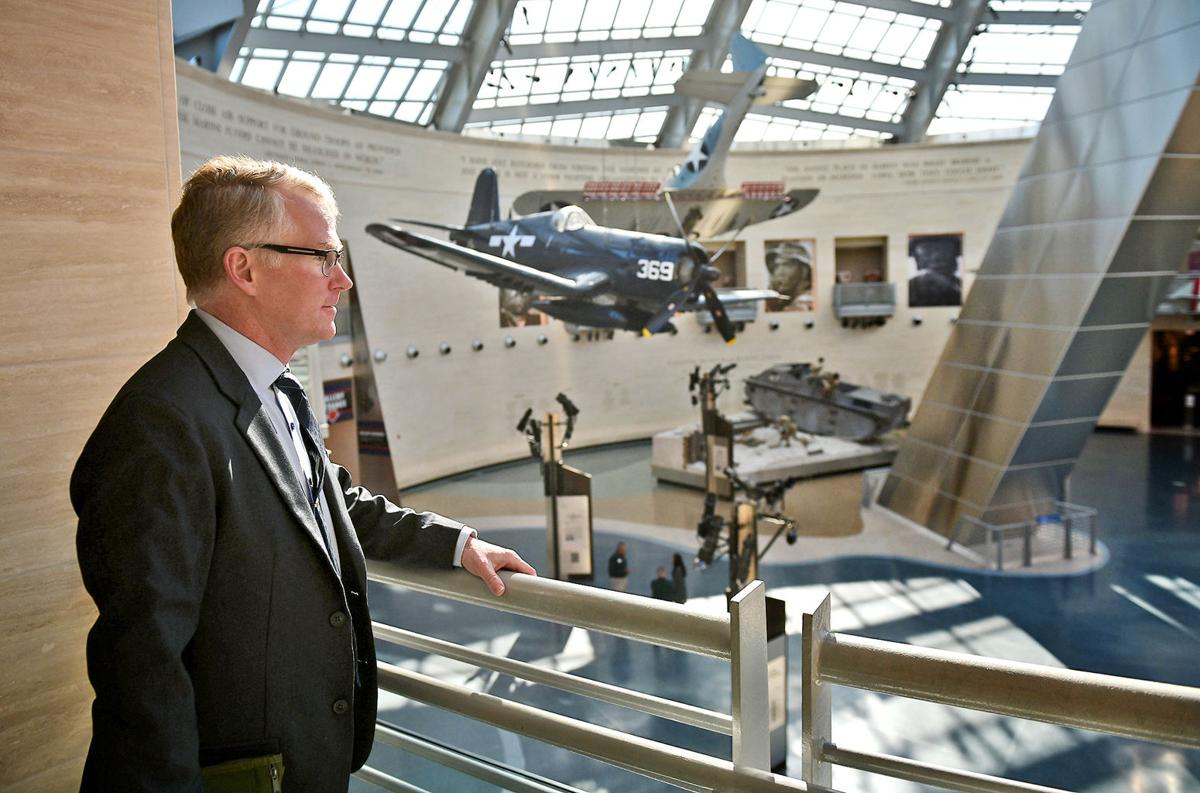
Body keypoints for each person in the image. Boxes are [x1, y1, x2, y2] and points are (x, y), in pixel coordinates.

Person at [71, 155, 536, 793]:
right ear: (244, 268)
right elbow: (143, 673)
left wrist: (454, 543)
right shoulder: (159, 428)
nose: (341, 280)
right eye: (322, 256)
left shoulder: (274, 388)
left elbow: (324, 496)